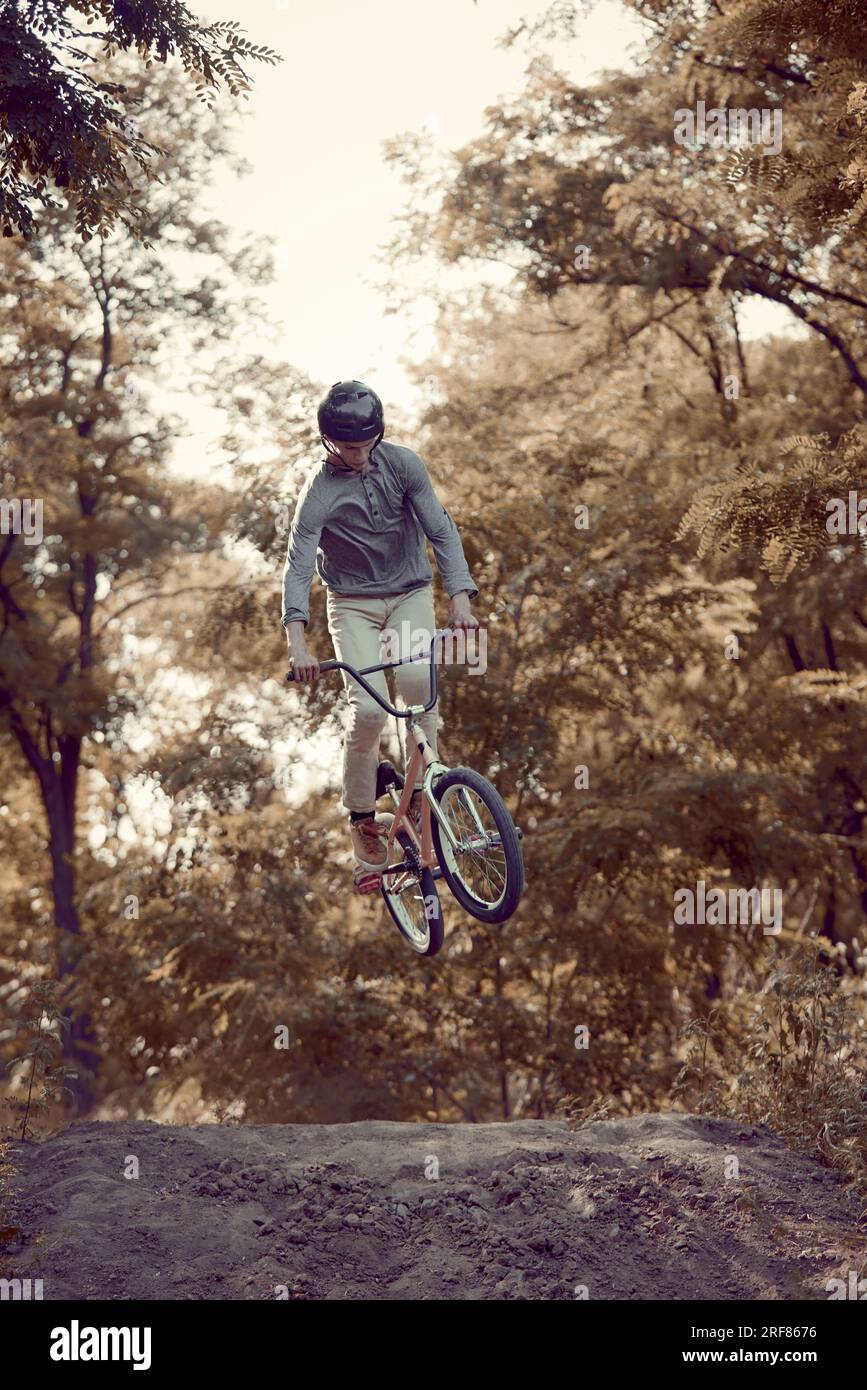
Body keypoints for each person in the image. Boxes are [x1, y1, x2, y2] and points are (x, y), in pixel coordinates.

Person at [281, 379, 479, 872]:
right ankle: (362, 815)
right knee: (368, 710)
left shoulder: (404, 464)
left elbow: (440, 528)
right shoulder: (318, 493)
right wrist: (298, 645)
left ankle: (422, 794)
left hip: (410, 591)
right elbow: (299, 566)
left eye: (369, 443)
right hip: (352, 604)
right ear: (329, 442)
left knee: (418, 690)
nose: (362, 455)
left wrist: (460, 600)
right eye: (351, 447)